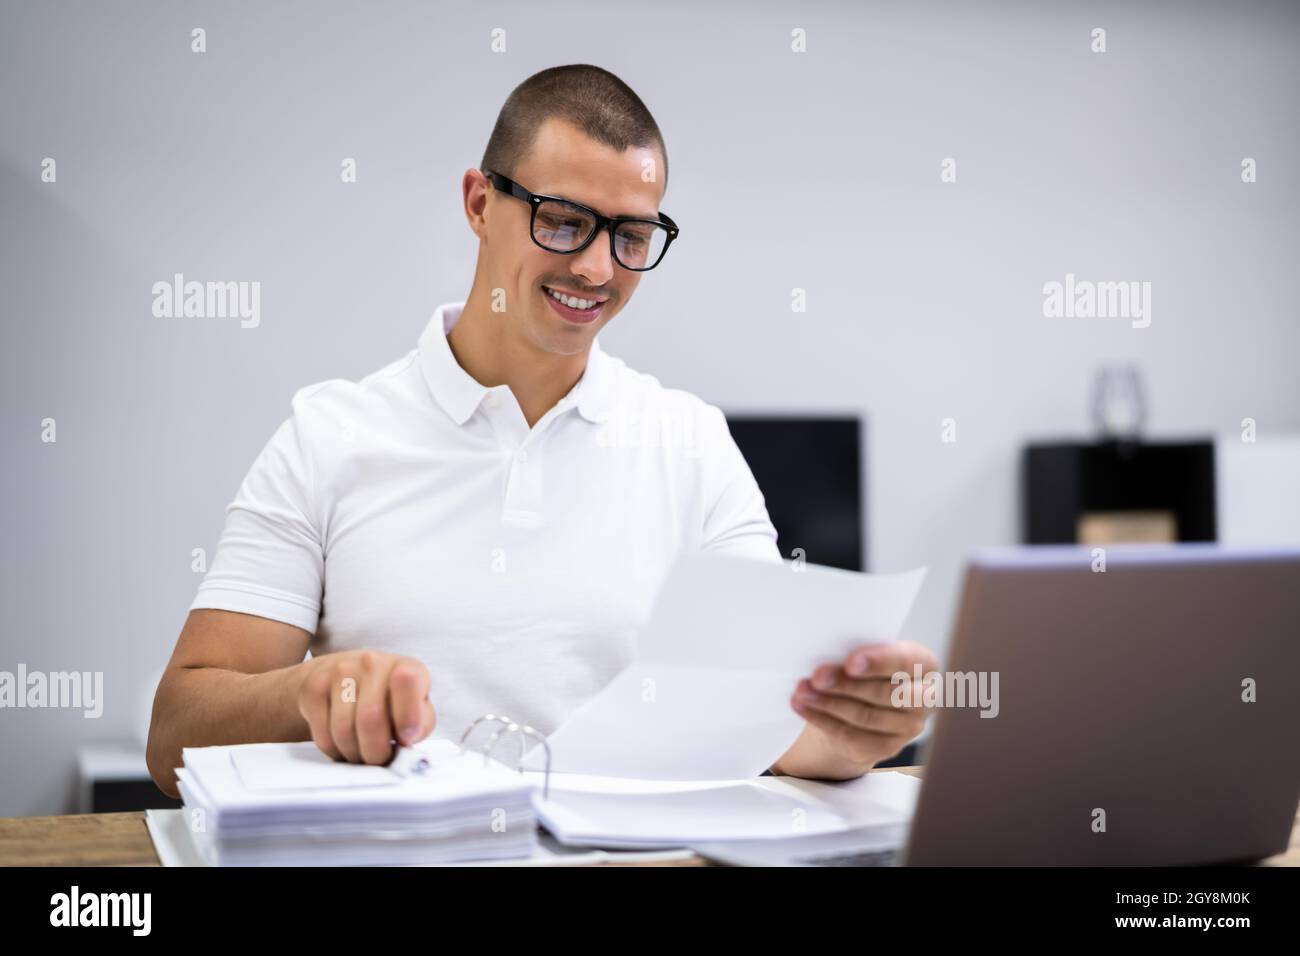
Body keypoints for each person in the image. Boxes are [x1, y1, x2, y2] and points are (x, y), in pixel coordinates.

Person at [146, 64, 937, 798]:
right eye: (564, 222)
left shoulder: (690, 441)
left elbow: (766, 728)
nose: (597, 269)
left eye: (631, 236)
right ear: (480, 204)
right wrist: (308, 691)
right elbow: (175, 734)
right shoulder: (328, 434)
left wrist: (856, 731)